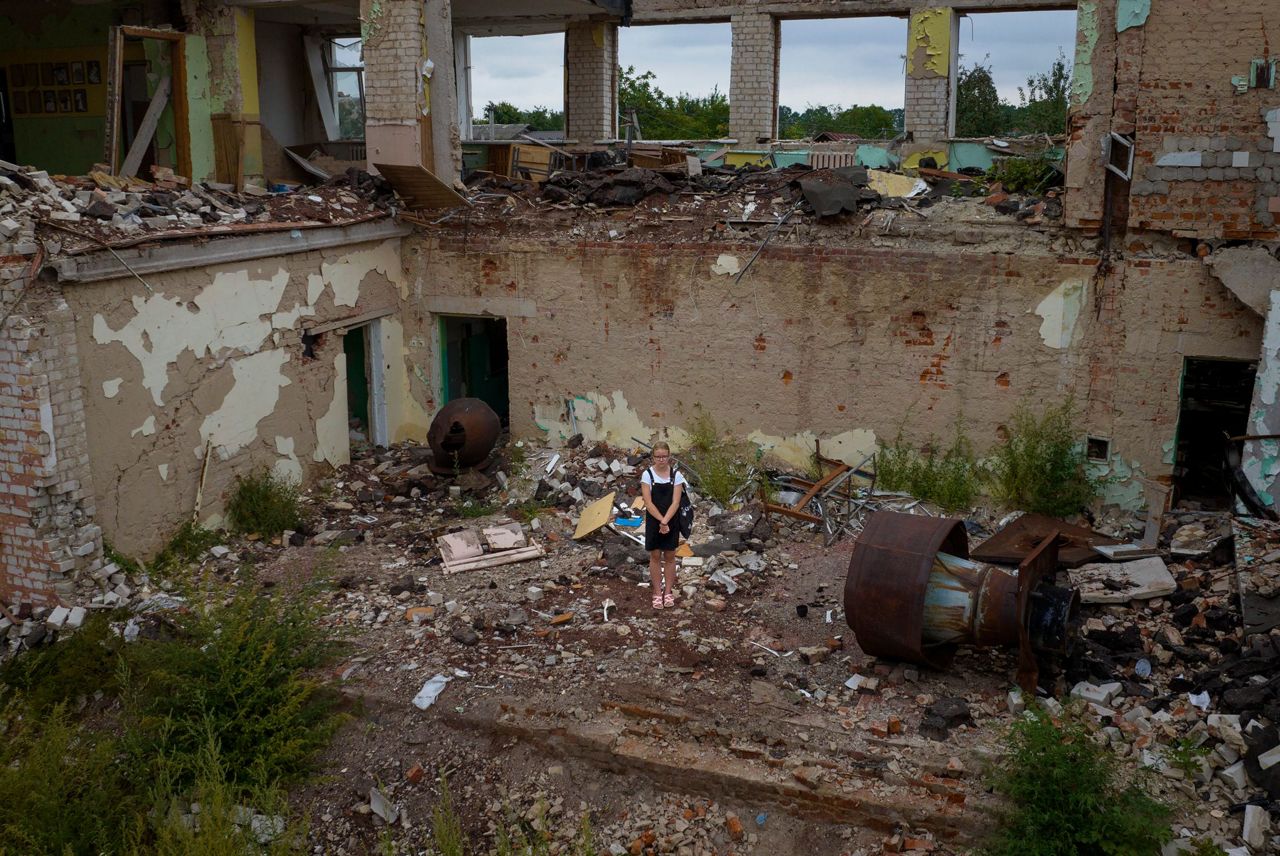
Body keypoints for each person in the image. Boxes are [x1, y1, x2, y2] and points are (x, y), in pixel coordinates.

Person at [640, 442, 686, 609]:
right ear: (653, 457)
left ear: (669, 456)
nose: (661, 460)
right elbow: (648, 502)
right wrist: (661, 520)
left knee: (670, 555)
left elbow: (676, 502)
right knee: (655, 555)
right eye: (658, 457)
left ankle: (668, 591)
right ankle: (657, 591)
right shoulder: (647, 475)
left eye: (664, 456)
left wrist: (666, 521)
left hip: (671, 519)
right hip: (654, 520)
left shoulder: (676, 475)